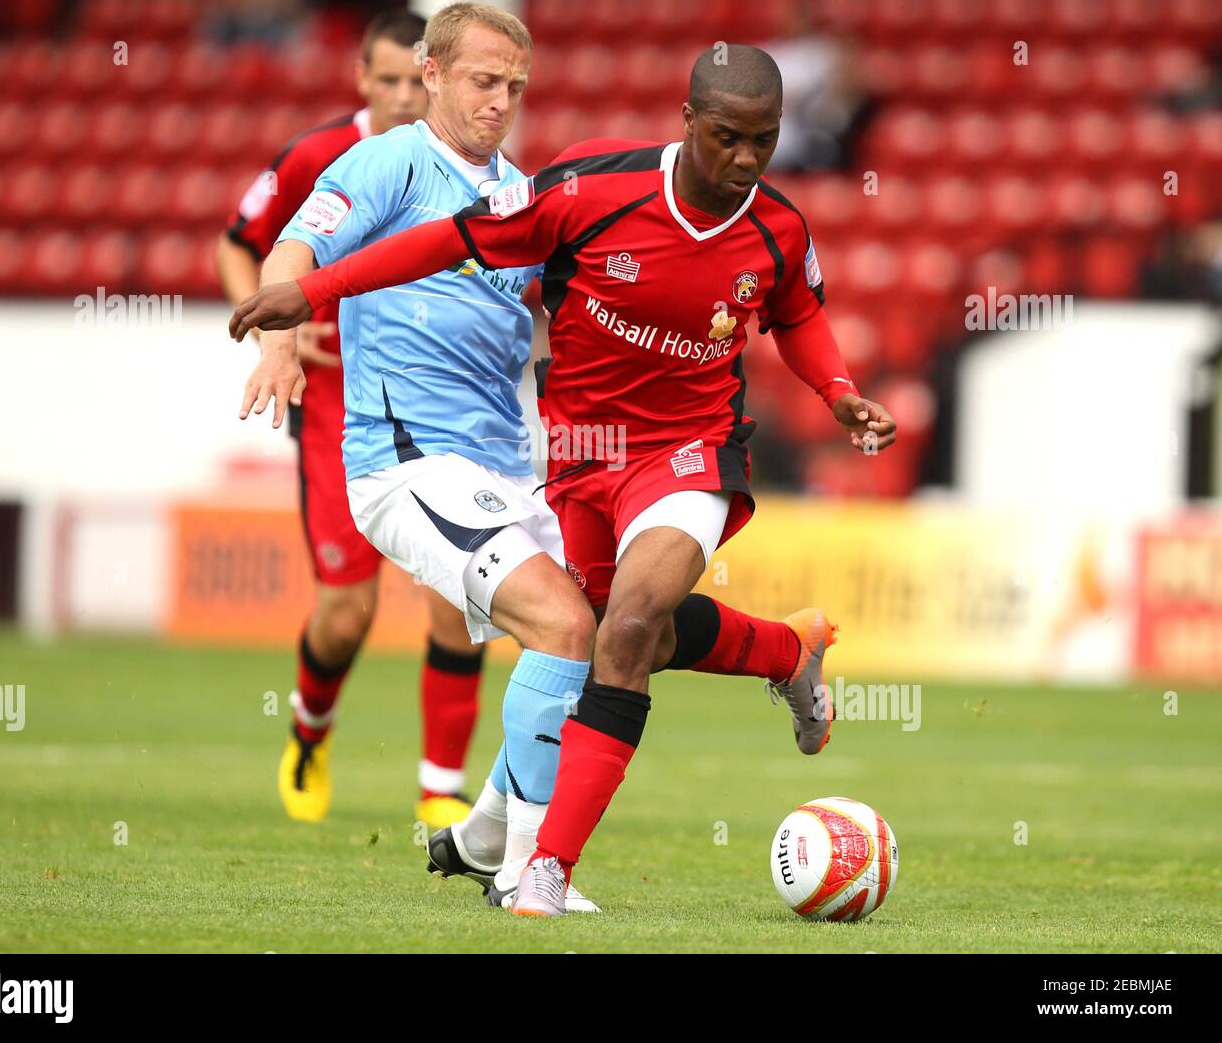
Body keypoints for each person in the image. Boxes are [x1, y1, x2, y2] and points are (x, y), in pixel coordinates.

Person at [229, 44, 897, 916]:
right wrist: (317, 290)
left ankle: (541, 866)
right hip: (584, 456)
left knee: (617, 628)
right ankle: (785, 651)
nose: (744, 159)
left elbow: (799, 312)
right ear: (687, 121)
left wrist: (839, 392)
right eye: (727, 137)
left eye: (763, 141)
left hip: (693, 449)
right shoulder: (588, 189)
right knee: (616, 637)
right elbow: (448, 240)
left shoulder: (776, 225)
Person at [217, 9, 488, 831]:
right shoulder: (317, 155)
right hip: (337, 403)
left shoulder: (469, 169)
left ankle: (440, 788)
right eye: (390, 80)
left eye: (418, 79)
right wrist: (275, 328)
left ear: (435, 77)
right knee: (349, 610)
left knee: (459, 598)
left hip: (436, 409)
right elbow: (241, 242)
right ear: (362, 82)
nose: (406, 95)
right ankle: (310, 730)